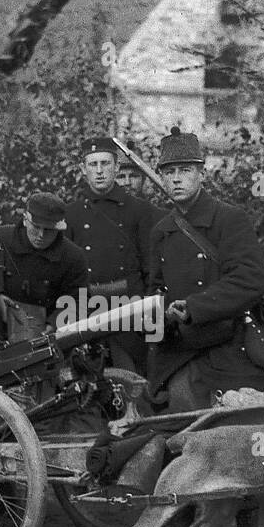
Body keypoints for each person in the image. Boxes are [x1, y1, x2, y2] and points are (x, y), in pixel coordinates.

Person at [148, 128, 264, 412]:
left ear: (201, 174)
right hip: (182, 355)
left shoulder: (229, 219)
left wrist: (195, 306)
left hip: (230, 351)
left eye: (185, 170)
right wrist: (166, 314)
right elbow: (154, 291)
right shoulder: (161, 232)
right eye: (169, 172)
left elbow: (251, 280)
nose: (176, 178)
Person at [65, 137, 165, 372]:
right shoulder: (72, 214)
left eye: (105, 164)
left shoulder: (140, 210)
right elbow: (67, 273)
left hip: (131, 306)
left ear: (116, 167)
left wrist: (149, 313)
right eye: (92, 165)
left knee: (135, 376)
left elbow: (151, 269)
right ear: (83, 170)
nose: (99, 171)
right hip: (87, 309)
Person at [0, 193, 89, 340]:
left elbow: (79, 300)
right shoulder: (0, 239)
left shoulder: (73, 257)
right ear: (25, 220)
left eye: (49, 230)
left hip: (46, 337)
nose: (41, 235)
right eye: (36, 227)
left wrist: (55, 323)